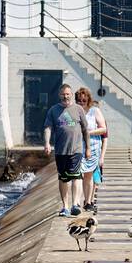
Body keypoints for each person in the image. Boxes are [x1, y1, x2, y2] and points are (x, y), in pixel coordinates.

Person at [43, 83, 91, 217]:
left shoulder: (78, 109)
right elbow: (47, 127)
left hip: (76, 149)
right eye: (63, 94)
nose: (65, 96)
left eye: (68, 94)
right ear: (60, 95)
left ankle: (75, 204)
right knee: (63, 178)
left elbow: (85, 130)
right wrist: (47, 143)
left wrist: (88, 148)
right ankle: (65, 207)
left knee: (76, 176)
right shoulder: (53, 110)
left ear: (71, 95)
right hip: (60, 150)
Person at [75, 87, 108, 211]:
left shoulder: (95, 111)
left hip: (93, 147)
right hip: (77, 146)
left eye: (84, 100)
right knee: (77, 175)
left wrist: (89, 132)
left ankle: (88, 202)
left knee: (88, 175)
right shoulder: (74, 111)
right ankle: (76, 202)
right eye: (79, 100)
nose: (81, 102)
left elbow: (103, 129)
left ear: (88, 100)